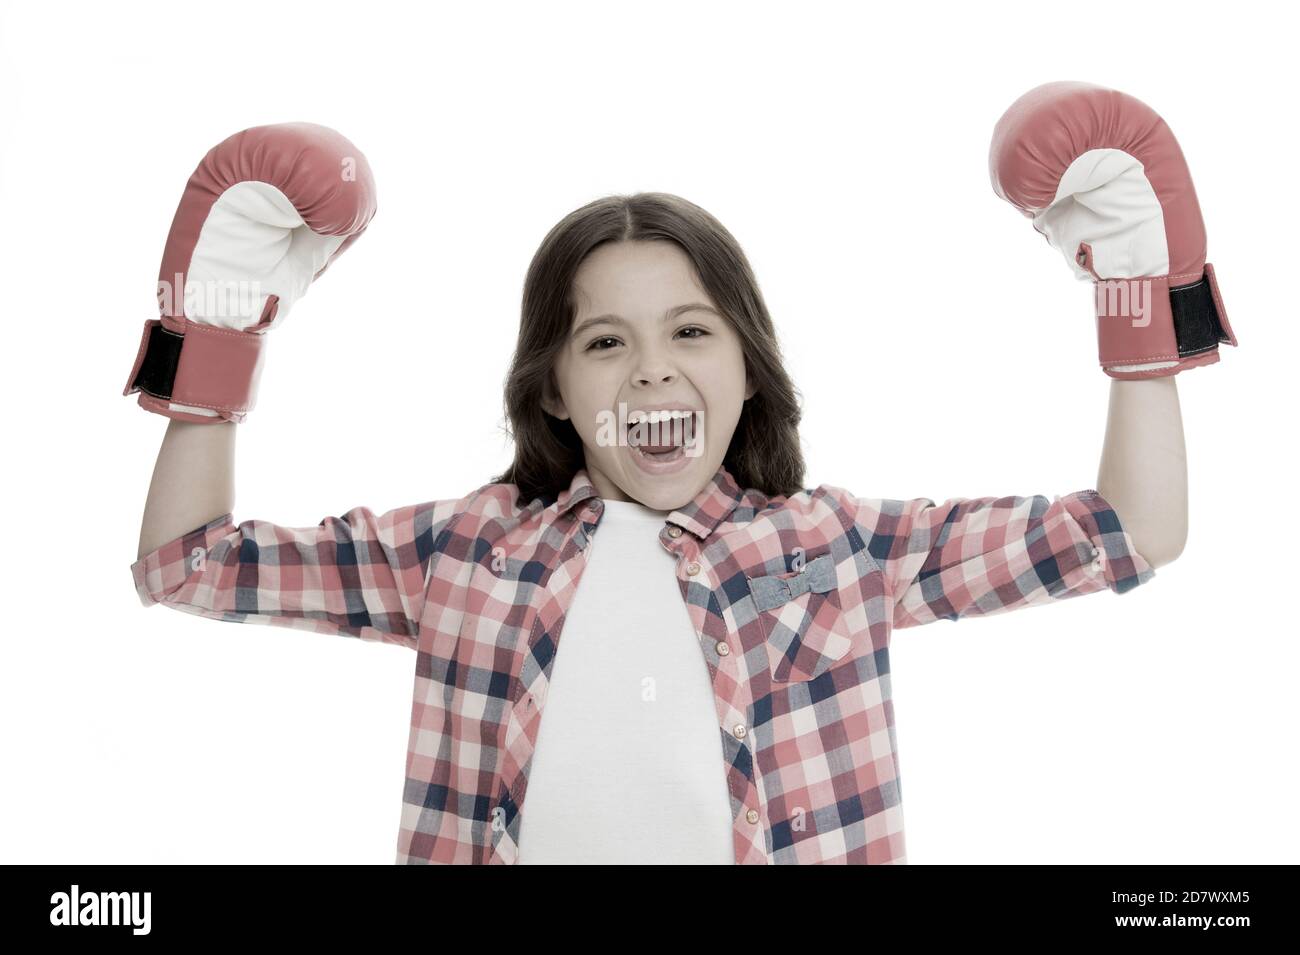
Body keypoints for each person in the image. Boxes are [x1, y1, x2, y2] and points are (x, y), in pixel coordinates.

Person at [127, 81, 1234, 864]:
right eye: (605, 340)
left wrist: (1143, 301)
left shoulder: (839, 548)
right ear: (554, 386)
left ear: (750, 368)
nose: (651, 368)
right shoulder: (462, 551)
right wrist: (214, 339)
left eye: (692, 332)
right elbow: (185, 566)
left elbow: (1129, 531)